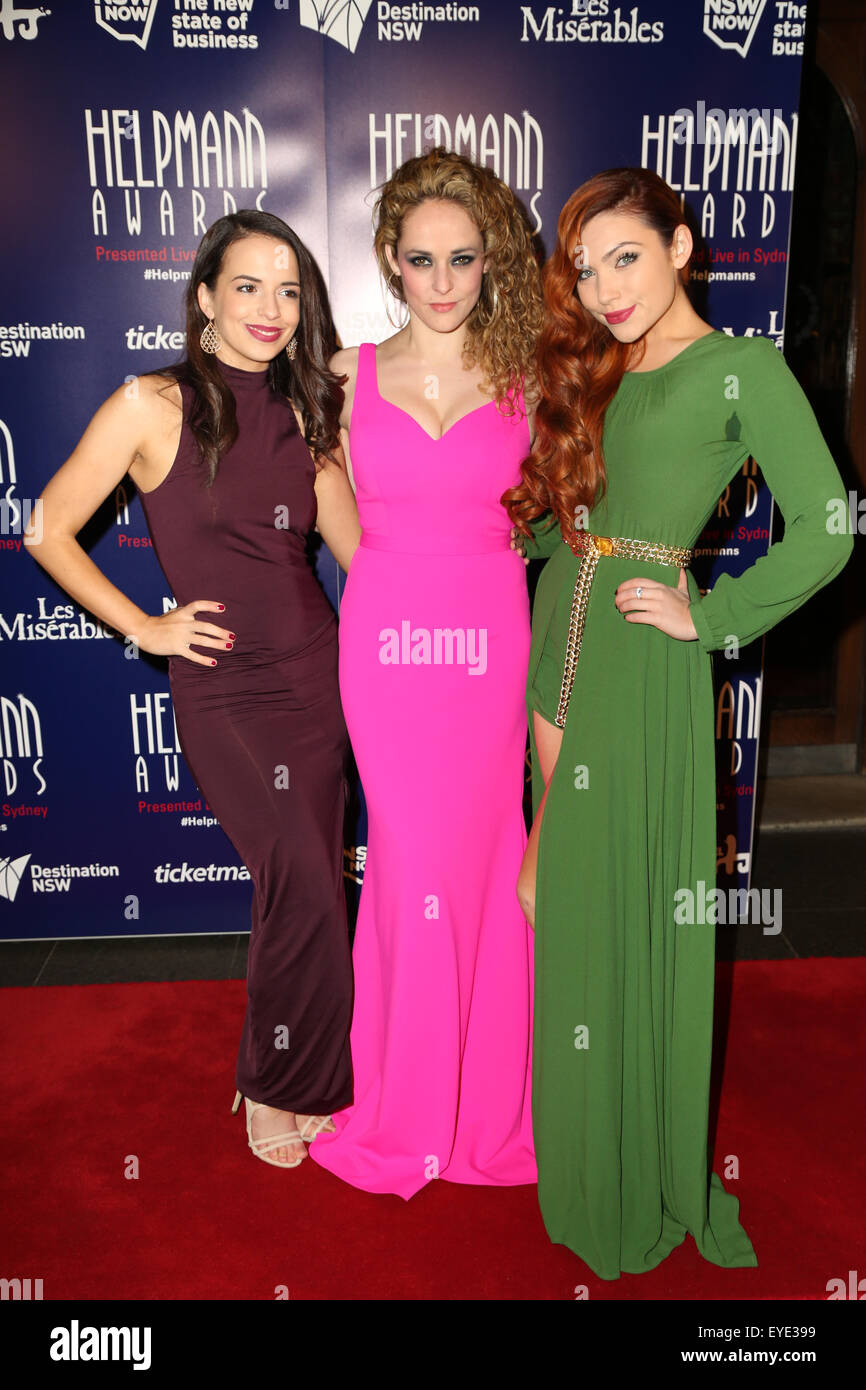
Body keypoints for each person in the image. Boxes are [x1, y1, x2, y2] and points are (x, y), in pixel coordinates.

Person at [506, 167, 853, 1278]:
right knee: (550, 896)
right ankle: (578, 1151)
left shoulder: (739, 369)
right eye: (586, 265)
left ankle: (637, 1168)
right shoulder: (595, 367)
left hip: (639, 664)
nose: (605, 285)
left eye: (626, 256)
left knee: (617, 902)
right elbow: (556, 519)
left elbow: (828, 528)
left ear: (682, 245)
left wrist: (711, 614)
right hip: (555, 635)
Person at [25, 211, 361, 1170]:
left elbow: (356, 557)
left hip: (314, 671)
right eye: (247, 286)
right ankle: (276, 1078)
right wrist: (142, 626)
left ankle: (296, 1070)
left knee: (312, 880)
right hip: (221, 687)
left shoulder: (308, 408)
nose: (270, 308)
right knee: (297, 863)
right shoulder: (149, 404)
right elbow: (47, 525)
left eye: (289, 290)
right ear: (205, 298)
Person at [309, 147, 544, 1197]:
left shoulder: (528, 377)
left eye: (463, 258)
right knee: (405, 863)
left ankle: (492, 1110)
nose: (442, 282)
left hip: (494, 639)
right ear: (388, 263)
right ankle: (406, 1107)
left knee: (493, 859)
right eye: (420, 260)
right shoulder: (345, 377)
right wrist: (404, 599)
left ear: (490, 262)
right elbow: (338, 523)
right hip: (392, 643)